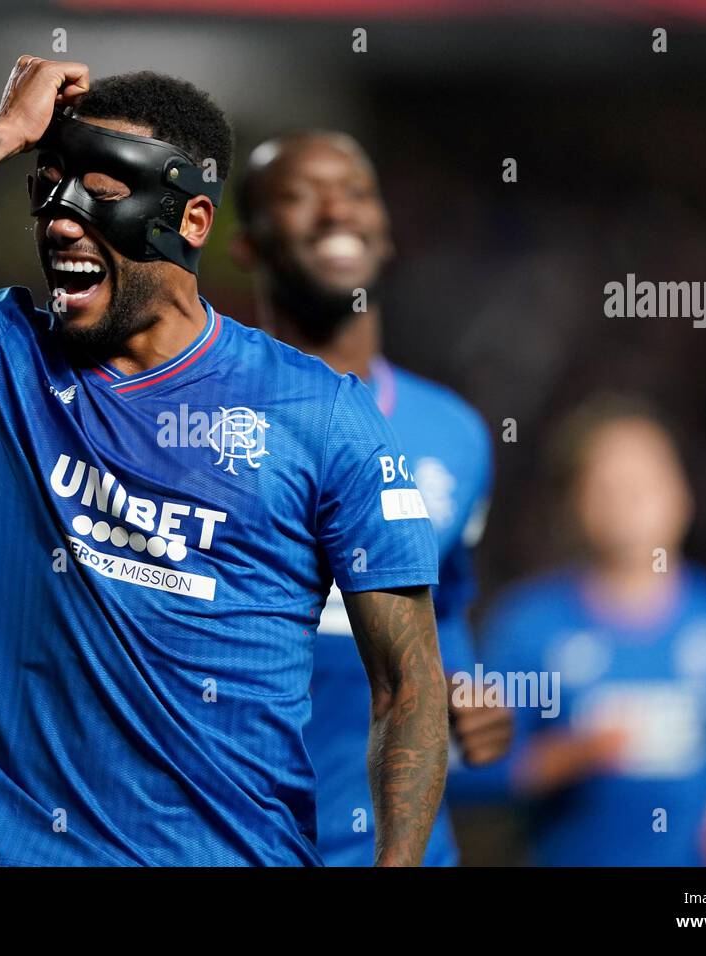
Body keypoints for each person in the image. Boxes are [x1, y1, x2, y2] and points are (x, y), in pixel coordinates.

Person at [0, 57, 449, 866]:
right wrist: (1, 137)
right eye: (49, 187)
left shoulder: (319, 414)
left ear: (193, 221)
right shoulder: (1, 361)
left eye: (100, 193)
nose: (61, 219)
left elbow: (409, 685)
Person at [233, 130, 512, 866]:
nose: (334, 212)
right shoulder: (200, 422)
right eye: (297, 196)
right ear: (246, 246)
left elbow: (444, 607)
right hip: (227, 843)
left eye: (355, 192)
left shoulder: (456, 434)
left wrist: (468, 693)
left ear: (385, 232)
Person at [481, 396, 706, 865]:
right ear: (576, 505)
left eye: (646, 479)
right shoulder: (529, 625)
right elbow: (466, 769)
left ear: (683, 492)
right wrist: (572, 755)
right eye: (609, 485)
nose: (630, 498)